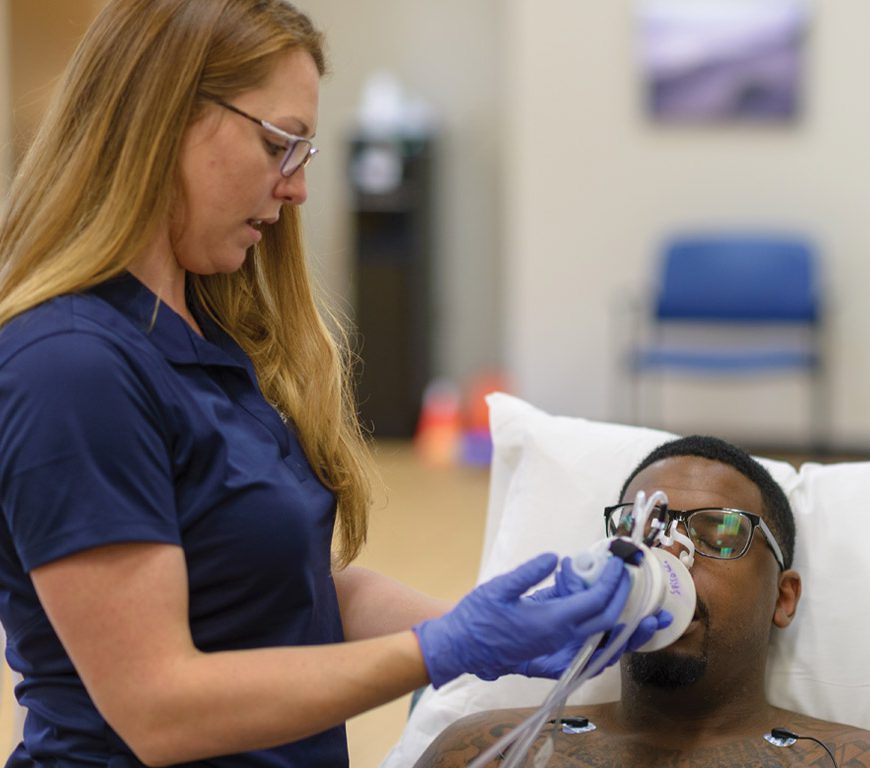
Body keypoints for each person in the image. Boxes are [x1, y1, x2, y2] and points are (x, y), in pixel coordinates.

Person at [0, 1, 663, 765]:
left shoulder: (200, 336)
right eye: (280, 144)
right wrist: (440, 649)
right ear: (166, 113)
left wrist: (508, 623)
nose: (297, 190)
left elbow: (293, 594)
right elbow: (160, 709)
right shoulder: (72, 368)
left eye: (304, 155)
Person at [415, 436, 870, 768]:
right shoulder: (485, 750)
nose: (670, 554)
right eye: (644, 529)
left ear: (783, 599)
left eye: (718, 533)